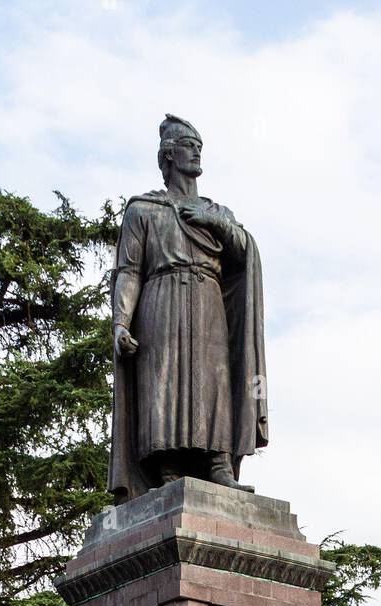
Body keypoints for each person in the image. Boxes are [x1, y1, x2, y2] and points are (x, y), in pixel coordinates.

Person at [108, 114, 268, 499]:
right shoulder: (143, 210)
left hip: (208, 299)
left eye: (198, 144)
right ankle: (168, 467)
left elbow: (245, 254)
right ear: (168, 155)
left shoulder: (218, 212)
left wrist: (217, 223)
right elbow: (129, 271)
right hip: (161, 298)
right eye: (188, 144)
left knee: (214, 380)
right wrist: (120, 323)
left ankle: (218, 464)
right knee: (163, 380)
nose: (196, 150)